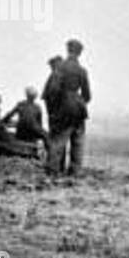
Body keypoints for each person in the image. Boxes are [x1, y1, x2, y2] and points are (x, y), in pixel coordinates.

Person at [46, 40, 91, 176]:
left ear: (67, 50)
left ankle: (53, 171)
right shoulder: (82, 70)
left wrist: (55, 109)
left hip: (64, 108)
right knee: (78, 141)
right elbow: (87, 95)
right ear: (80, 52)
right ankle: (75, 171)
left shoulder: (60, 68)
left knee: (59, 140)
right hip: (79, 108)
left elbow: (53, 90)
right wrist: (79, 102)